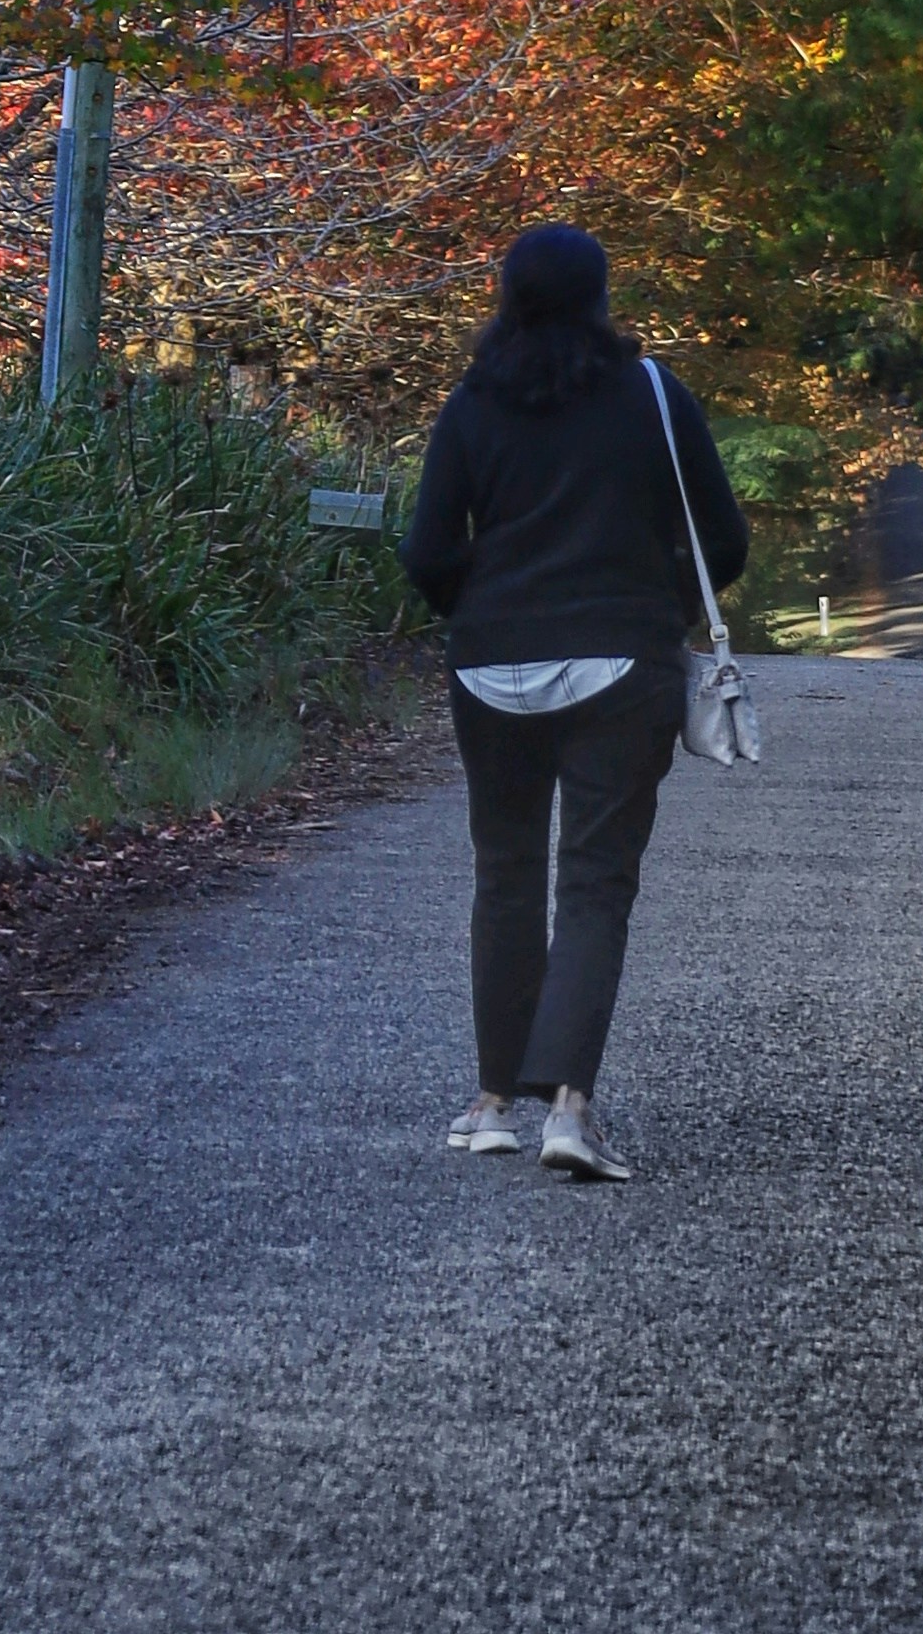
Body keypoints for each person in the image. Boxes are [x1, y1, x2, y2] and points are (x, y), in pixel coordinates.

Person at [397, 221, 748, 1183]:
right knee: (594, 882)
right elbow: (724, 539)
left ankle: (492, 1103)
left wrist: (481, 608)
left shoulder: (473, 403)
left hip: (491, 667)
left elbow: (427, 551)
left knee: (504, 874)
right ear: (601, 297)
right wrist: (659, 609)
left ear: (505, 295)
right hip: (620, 665)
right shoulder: (650, 396)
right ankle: (571, 1113)